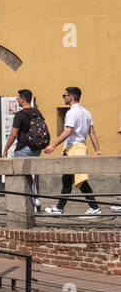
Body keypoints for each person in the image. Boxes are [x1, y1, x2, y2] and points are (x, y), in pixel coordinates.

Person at [42, 86, 102, 216]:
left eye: (65, 95)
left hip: (73, 149)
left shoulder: (71, 112)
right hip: (80, 147)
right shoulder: (86, 112)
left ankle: (95, 208)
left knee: (80, 180)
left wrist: (53, 145)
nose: (63, 97)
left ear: (71, 97)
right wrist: (97, 149)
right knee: (67, 180)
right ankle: (59, 208)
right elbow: (92, 132)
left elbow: (68, 131)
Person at [2, 89, 46, 212]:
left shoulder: (20, 115)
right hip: (36, 148)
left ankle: (26, 204)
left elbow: (13, 135)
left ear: (23, 99)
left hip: (23, 148)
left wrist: (5, 149)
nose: (17, 100)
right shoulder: (37, 112)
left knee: (21, 177)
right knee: (30, 175)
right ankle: (35, 199)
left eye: (18, 98)